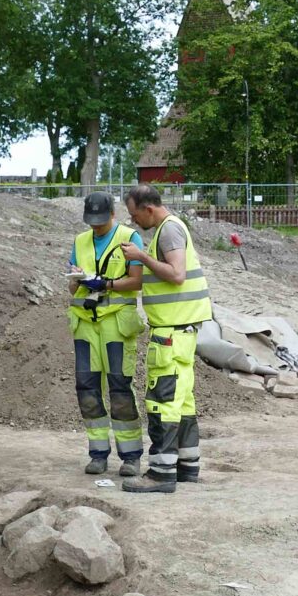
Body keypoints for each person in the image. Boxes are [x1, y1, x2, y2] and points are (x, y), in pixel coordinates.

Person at [119, 183, 212, 494]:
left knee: (162, 401)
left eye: (134, 216)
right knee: (182, 401)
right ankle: (187, 466)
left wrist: (141, 258)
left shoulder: (169, 231)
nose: (134, 222)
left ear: (149, 209)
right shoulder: (171, 229)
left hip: (171, 332)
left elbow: (176, 275)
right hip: (183, 330)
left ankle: (161, 473)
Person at [64, 192, 146, 476]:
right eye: (92, 222)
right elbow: (72, 289)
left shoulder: (129, 238)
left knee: (120, 387)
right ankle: (98, 453)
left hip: (115, 324)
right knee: (86, 388)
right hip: (85, 323)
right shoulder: (80, 241)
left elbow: (136, 282)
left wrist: (105, 283)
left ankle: (131, 456)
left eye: (101, 221)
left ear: (113, 214)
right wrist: (77, 279)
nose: (96, 227)